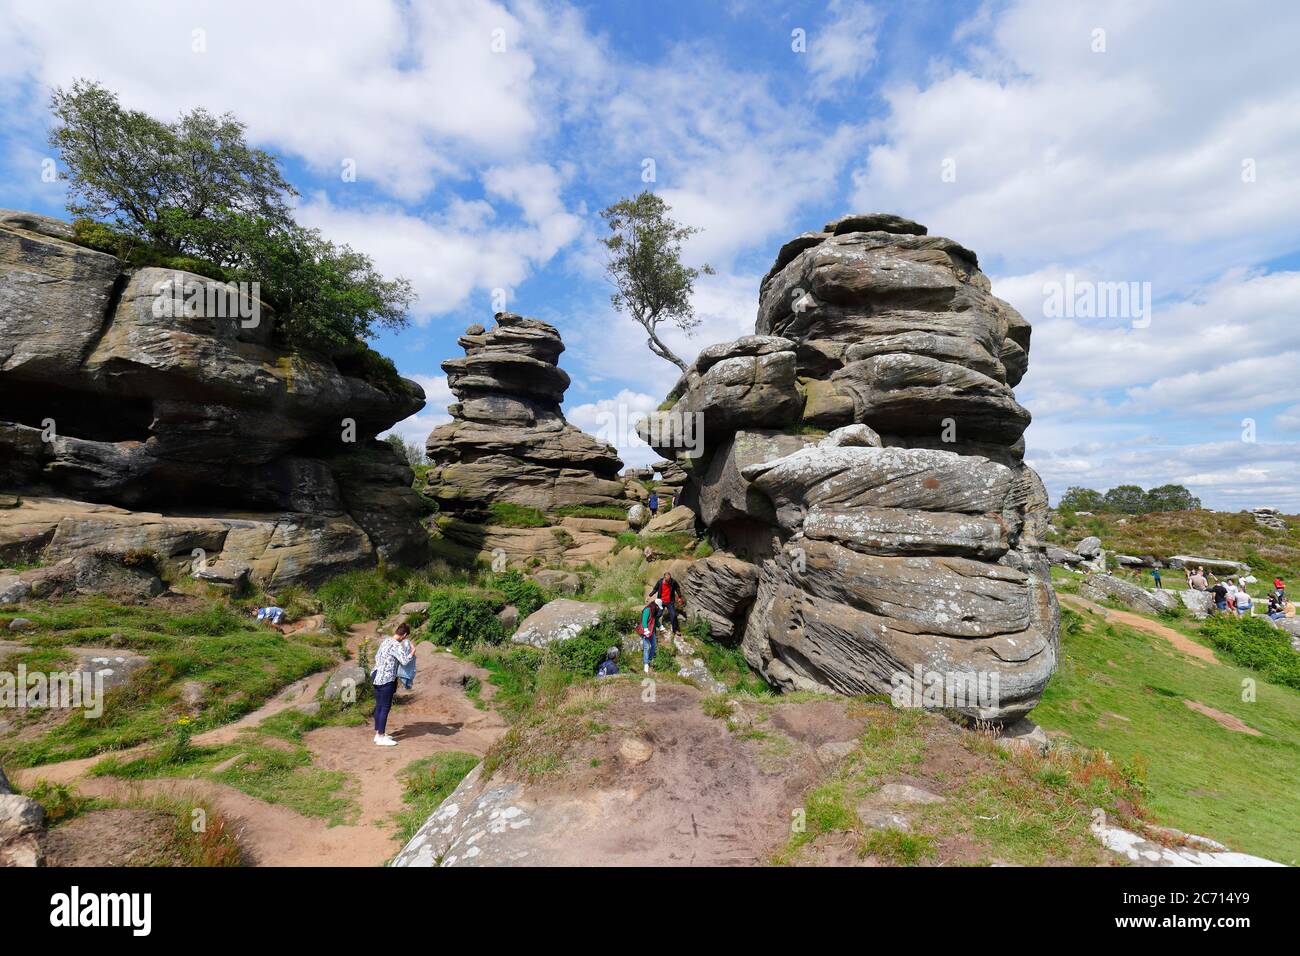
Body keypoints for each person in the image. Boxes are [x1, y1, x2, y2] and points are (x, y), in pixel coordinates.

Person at [370, 623, 415, 747]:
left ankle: (377, 733)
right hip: (386, 679)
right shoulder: (396, 645)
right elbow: (405, 661)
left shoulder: (386, 641)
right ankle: (381, 736)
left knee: (379, 706)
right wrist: (412, 652)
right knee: (385, 707)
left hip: (376, 675)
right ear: (404, 635)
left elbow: (377, 656)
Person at [648, 571, 682, 636]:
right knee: (658, 614)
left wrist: (679, 597)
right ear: (664, 578)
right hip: (661, 601)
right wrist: (649, 596)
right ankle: (651, 626)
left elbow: (677, 588)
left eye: (669, 580)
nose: (668, 582)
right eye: (667, 580)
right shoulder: (660, 582)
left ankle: (676, 630)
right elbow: (655, 589)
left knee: (673, 615)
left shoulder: (673, 582)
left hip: (670, 602)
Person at [638, 597, 662, 673]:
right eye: (658, 606)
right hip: (646, 631)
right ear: (655, 605)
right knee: (646, 647)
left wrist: (661, 627)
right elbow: (644, 621)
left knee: (654, 646)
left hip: (652, 631)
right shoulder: (647, 610)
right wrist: (646, 630)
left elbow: (656, 621)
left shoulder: (655, 611)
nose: (658, 608)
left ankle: (649, 660)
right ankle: (646, 664)